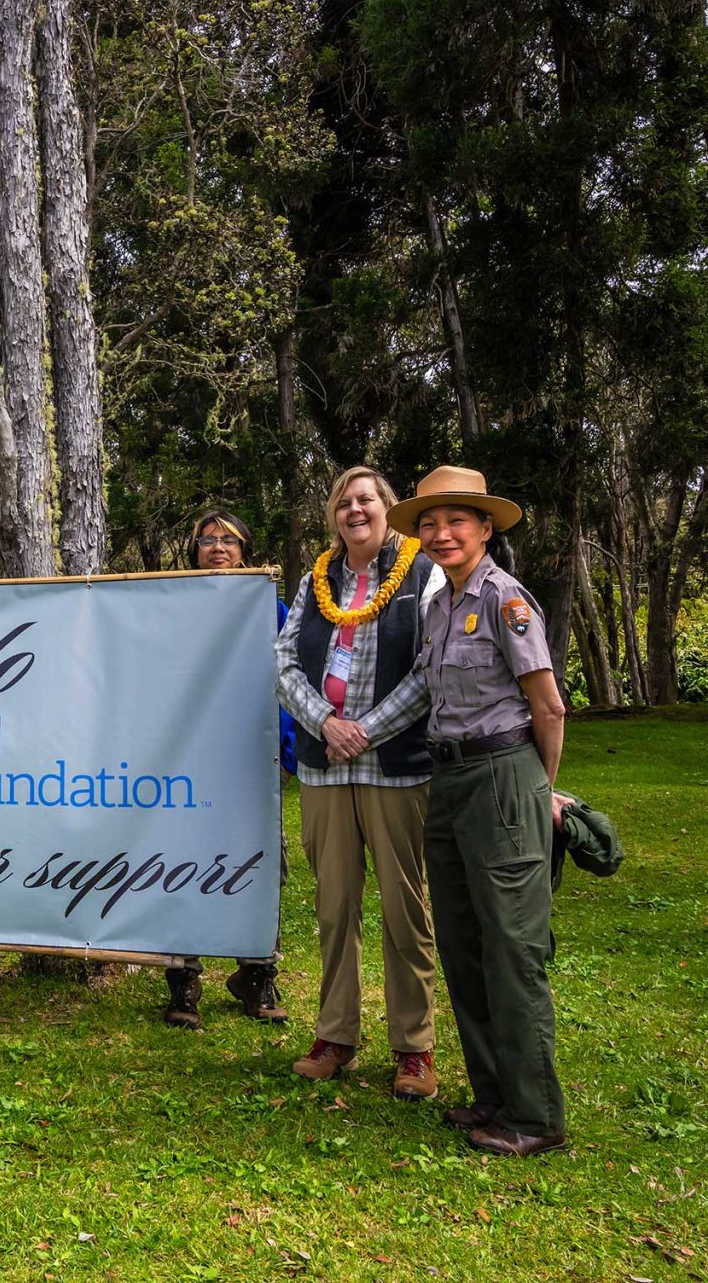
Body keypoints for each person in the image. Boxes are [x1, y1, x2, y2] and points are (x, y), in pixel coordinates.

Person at [391, 466, 571, 1156]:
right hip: (451, 780)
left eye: (456, 521)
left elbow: (547, 703)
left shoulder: (506, 598)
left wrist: (539, 789)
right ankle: (492, 1096)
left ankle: (535, 1115)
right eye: (430, 524)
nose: (441, 534)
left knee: (511, 949)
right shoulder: (441, 605)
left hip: (503, 776)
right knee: (464, 948)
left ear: (485, 527)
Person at [275, 466, 445, 1100]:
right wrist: (323, 721)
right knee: (334, 904)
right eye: (344, 502)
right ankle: (335, 1034)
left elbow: (431, 668)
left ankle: (414, 1048)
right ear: (333, 515)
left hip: (394, 765)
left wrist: (366, 728)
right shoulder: (317, 579)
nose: (355, 510)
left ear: (388, 509)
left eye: (366, 500)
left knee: (406, 908)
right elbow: (283, 659)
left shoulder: (422, 575)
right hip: (325, 765)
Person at [162, 512, 297, 1029]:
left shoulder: (272, 610)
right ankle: (184, 980)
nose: (218, 547)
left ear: (244, 549)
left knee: (262, 864)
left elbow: (288, 684)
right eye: (207, 539)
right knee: (176, 863)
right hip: (183, 763)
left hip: (250, 762)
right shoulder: (169, 608)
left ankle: (257, 976)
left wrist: (285, 754)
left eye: (229, 539)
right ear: (194, 549)